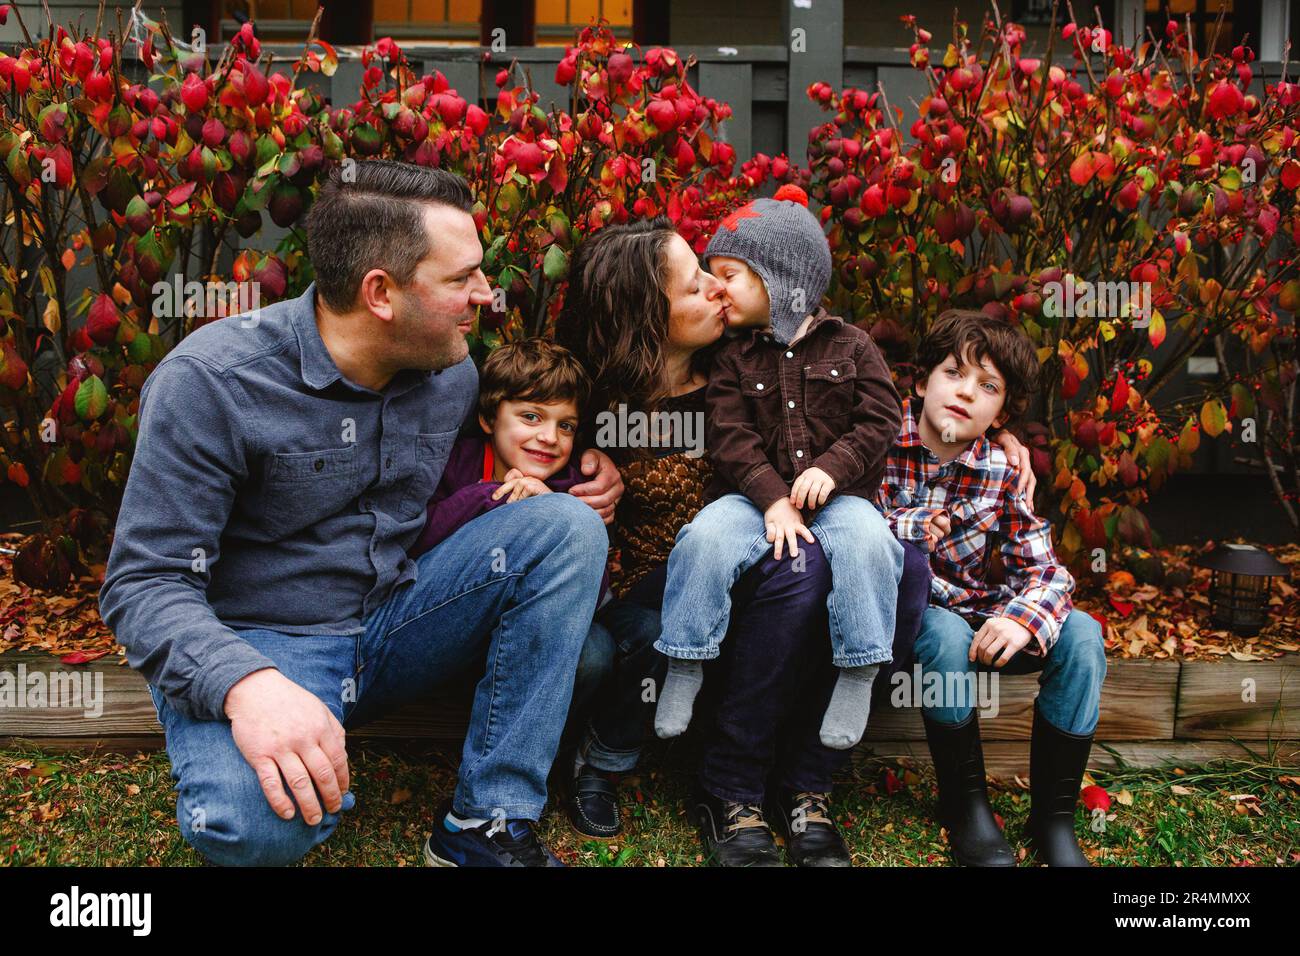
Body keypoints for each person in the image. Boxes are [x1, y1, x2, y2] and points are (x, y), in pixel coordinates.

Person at [97, 160, 625, 868]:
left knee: (565, 526)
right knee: (252, 831)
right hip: (270, 644)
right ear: (381, 292)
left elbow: (511, 454)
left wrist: (588, 469)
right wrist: (249, 689)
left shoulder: (451, 371)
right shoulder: (215, 383)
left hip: (400, 615)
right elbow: (142, 584)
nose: (484, 294)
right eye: (461, 278)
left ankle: (485, 824)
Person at [556, 217, 932, 866]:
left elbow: (864, 419)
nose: (716, 288)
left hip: (759, 582)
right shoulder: (597, 399)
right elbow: (512, 438)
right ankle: (673, 769)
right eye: (695, 283)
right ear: (649, 315)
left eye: (716, 274)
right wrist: (573, 476)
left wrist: (991, 443)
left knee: (893, 568)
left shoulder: (741, 367)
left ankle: (800, 779)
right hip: (662, 594)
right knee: (792, 573)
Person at [652, 184, 904, 750]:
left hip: (841, 499)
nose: (716, 288)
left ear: (783, 280)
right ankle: (684, 662)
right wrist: (771, 497)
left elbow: (881, 417)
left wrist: (834, 470)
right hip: (751, 498)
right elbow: (729, 436)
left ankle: (859, 669)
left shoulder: (854, 346)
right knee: (705, 540)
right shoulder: (732, 358)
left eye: (731, 274)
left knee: (872, 546)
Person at [878, 308, 1107, 867]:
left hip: (984, 614)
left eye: (988, 387)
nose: (965, 393)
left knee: (1082, 635)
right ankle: (966, 806)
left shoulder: (1002, 469)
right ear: (922, 378)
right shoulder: (877, 441)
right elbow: (849, 525)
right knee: (944, 632)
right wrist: (909, 529)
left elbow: (1047, 569)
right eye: (953, 373)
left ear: (1003, 410)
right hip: (912, 621)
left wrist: (1020, 618)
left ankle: (1053, 818)